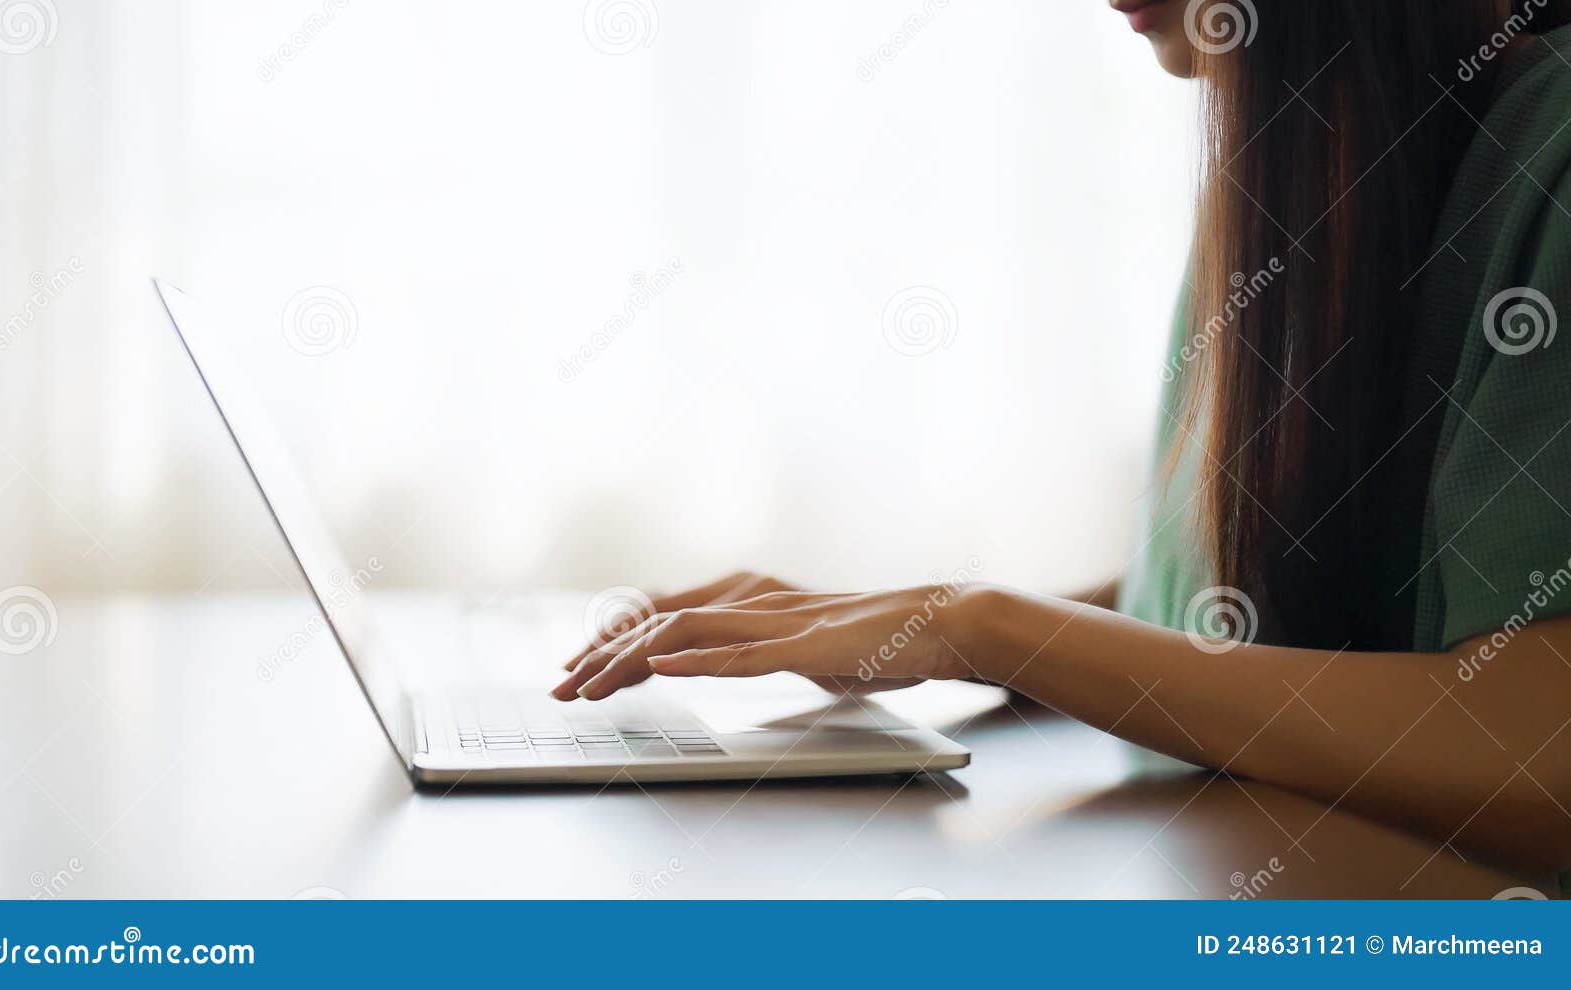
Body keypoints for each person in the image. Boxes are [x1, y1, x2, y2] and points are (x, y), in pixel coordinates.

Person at [554, 0, 1571, 873]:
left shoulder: (1551, 157)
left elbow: (1537, 747)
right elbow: (1220, 618)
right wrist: (903, 632)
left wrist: (984, 625)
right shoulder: (1302, 173)